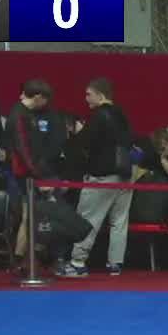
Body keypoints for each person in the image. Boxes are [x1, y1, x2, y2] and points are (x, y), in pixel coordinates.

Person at [58, 78, 134, 278]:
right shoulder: (122, 114)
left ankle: (77, 263)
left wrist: (78, 133)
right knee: (119, 221)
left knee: (88, 218)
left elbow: (85, 143)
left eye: (88, 94)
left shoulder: (98, 115)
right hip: (125, 175)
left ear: (100, 95)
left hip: (103, 176)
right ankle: (115, 264)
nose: (86, 99)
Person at [6, 78, 68, 260]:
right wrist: (39, 177)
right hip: (29, 175)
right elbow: (23, 150)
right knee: (34, 217)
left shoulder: (25, 113)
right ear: (38, 97)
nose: (46, 104)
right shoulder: (19, 115)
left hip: (30, 173)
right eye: (45, 99)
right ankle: (27, 258)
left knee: (30, 217)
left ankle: (21, 259)